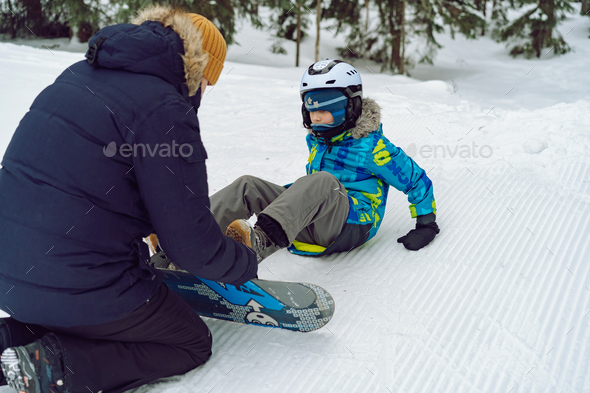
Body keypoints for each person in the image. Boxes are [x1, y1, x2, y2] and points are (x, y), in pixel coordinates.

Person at [0, 5, 257, 393]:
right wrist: (242, 265)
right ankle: (50, 365)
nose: (205, 92)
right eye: (208, 82)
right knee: (189, 340)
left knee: (63, 302)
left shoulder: (77, 75)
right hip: (79, 281)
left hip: (9, 277)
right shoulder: (165, 108)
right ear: (196, 68)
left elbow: (86, 177)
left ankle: (8, 342)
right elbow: (192, 248)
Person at [218, 59, 439, 262]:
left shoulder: (371, 146)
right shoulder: (320, 139)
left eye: (324, 108)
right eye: (311, 107)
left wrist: (426, 224)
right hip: (313, 219)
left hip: (353, 223)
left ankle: (259, 244)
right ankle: (192, 234)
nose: (315, 116)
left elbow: (415, 179)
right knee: (248, 186)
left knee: (324, 181)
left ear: (350, 106)